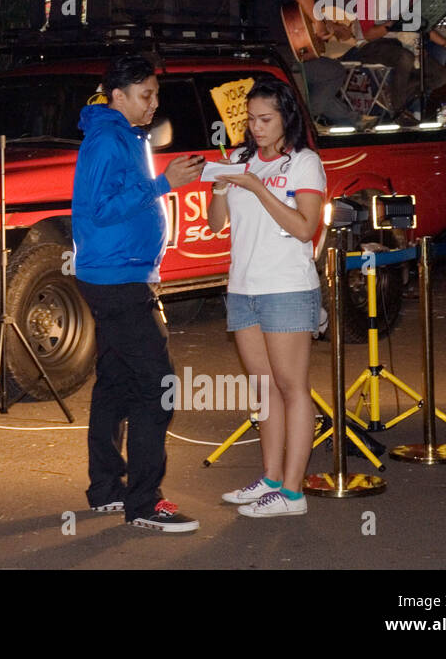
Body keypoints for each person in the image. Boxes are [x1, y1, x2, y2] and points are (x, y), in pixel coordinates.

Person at [71, 55, 205, 532]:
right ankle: (145, 502)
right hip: (116, 278)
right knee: (157, 385)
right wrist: (167, 183)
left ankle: (108, 488)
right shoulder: (108, 138)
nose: (153, 104)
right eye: (145, 95)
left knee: (116, 380)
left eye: (155, 95)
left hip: (123, 273)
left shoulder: (123, 134)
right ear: (119, 95)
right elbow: (101, 208)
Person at [207, 77, 326, 517]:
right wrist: (221, 186)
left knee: (293, 387)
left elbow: (304, 227)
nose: (256, 128)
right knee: (264, 389)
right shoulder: (240, 158)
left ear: (286, 118)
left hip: (287, 287)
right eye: (251, 119)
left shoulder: (303, 162)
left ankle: (293, 494)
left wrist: (258, 187)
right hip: (243, 286)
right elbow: (219, 224)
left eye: (266, 119)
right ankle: (272, 479)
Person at [249, 0, 357, 127]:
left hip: (264, 57)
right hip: (287, 59)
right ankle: (305, 116)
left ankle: (351, 119)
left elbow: (296, 17)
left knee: (318, 83)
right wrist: (321, 26)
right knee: (334, 71)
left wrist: (329, 24)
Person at [355, 0, 442, 123]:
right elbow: (368, 34)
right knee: (405, 57)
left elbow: (415, 23)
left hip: (401, 42)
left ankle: (393, 94)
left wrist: (420, 43)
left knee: (439, 74)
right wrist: (393, 21)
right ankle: (399, 110)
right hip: (371, 45)